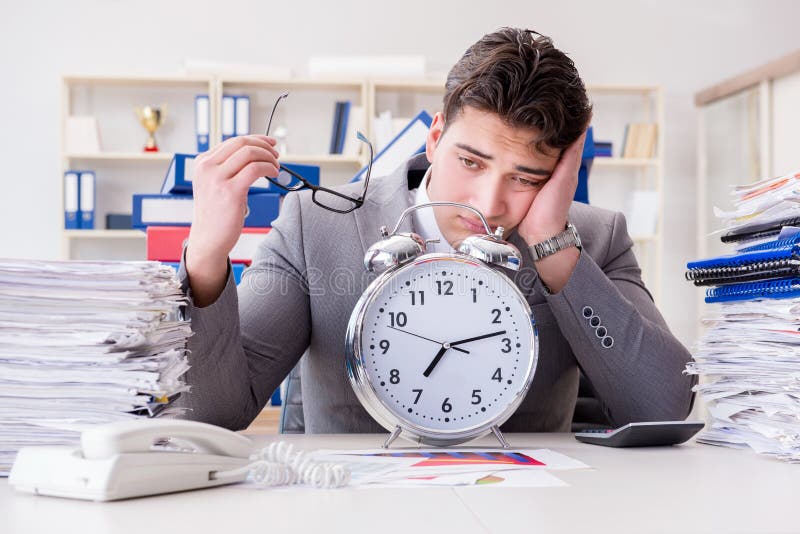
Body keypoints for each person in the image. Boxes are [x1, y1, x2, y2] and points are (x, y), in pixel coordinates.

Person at [177, 27, 695, 433]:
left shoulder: (596, 240)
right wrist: (205, 254)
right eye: (471, 162)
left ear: (562, 170)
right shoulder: (313, 227)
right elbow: (216, 415)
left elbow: (664, 408)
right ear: (435, 136)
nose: (488, 203)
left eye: (525, 178)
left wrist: (555, 252)